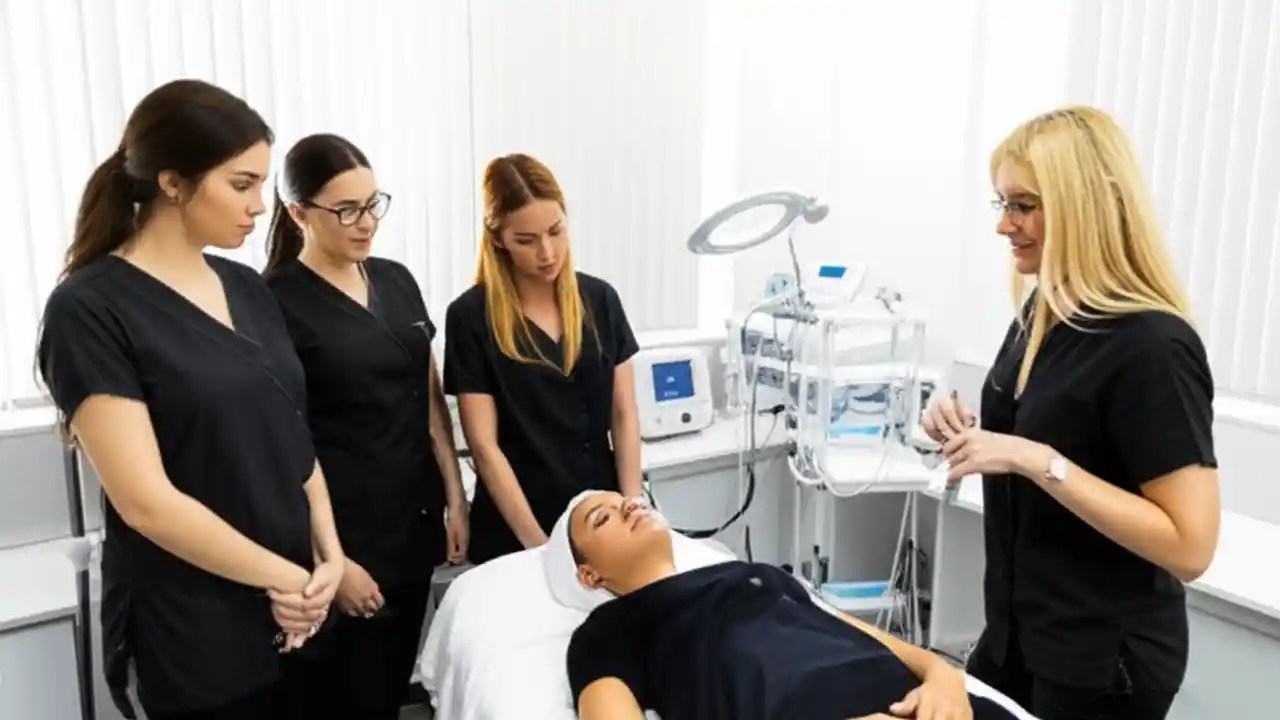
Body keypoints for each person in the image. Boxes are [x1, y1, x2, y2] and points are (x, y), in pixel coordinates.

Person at [36, 79, 344, 720]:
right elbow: (147, 503)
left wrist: (329, 558)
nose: (261, 205)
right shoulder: (90, 309)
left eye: (262, 183)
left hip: (299, 611)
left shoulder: (247, 288)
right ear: (172, 182)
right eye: (241, 184)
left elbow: (292, 435)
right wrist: (287, 578)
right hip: (198, 625)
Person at [922, 106, 1220, 720]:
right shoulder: (1041, 316)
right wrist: (977, 439)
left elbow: (1190, 548)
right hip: (1015, 640)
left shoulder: (1151, 345)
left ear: (1086, 204)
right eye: (1001, 204)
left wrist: (1035, 459)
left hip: (1100, 668)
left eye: (1023, 204)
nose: (1005, 226)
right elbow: (1058, 438)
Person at [263, 132, 469, 718]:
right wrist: (335, 562)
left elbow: (427, 398)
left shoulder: (396, 278)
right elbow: (283, 445)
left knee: (387, 686)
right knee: (341, 698)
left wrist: (455, 496)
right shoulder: (273, 301)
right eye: (347, 209)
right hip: (342, 537)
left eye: (373, 203)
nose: (365, 222)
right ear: (298, 212)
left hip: (413, 520)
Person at [562, 491, 1019, 720]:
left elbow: (870, 639)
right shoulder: (607, 632)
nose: (627, 507)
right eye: (602, 517)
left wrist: (944, 677)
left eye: (627, 500)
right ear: (591, 576)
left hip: (932, 703)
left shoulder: (757, 573)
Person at [443, 153, 643, 564]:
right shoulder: (470, 318)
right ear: (497, 237)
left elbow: (624, 417)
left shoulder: (600, 301)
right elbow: (484, 447)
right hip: (515, 529)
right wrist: (540, 550)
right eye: (526, 240)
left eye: (555, 231)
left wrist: (632, 507)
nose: (547, 252)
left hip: (600, 518)